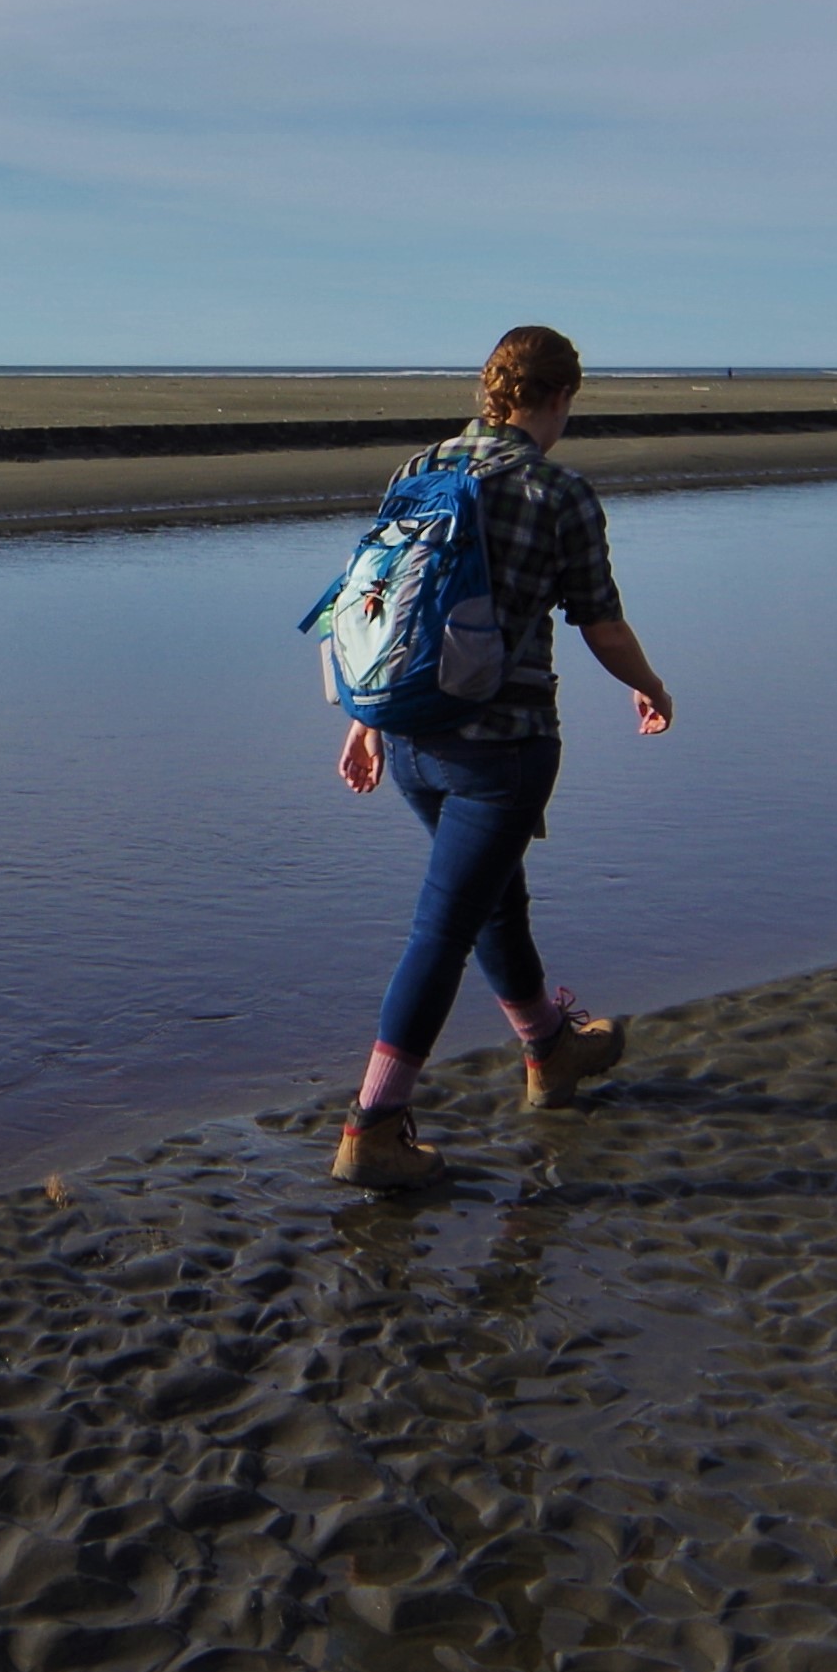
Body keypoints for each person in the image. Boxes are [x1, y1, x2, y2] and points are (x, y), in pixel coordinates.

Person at [329, 326, 675, 1189]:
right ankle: (372, 1128)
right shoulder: (558, 489)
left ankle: (550, 1053)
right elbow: (598, 621)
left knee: (489, 903)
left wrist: (365, 719)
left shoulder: (418, 468)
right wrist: (650, 684)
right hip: (503, 749)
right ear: (559, 398)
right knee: (443, 929)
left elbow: (374, 603)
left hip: (410, 735)